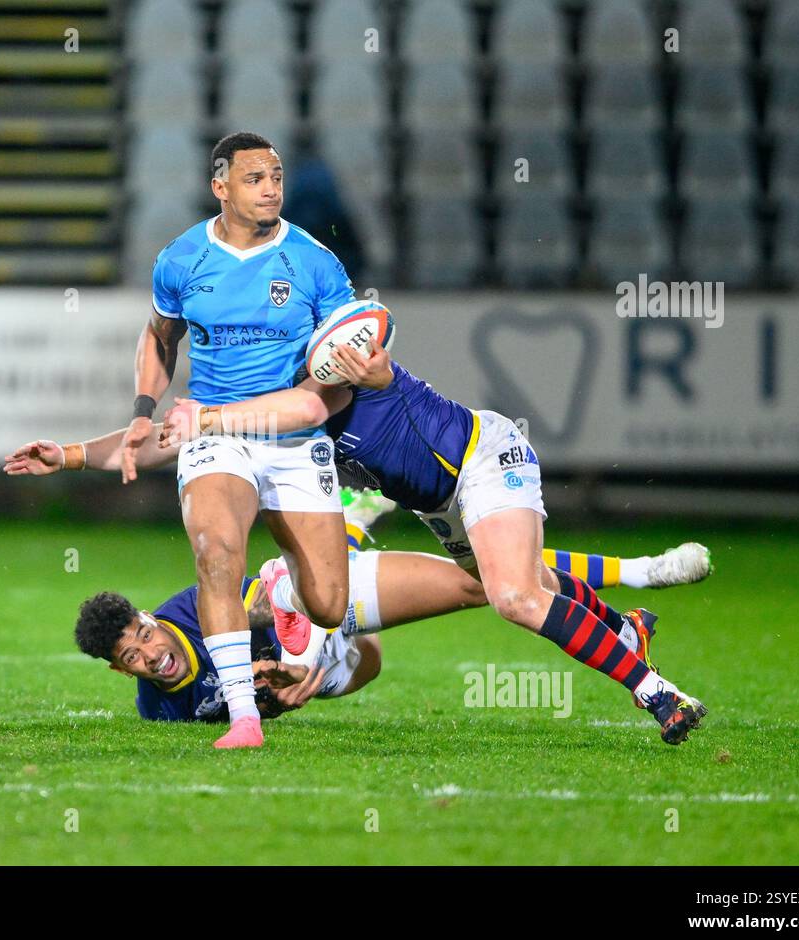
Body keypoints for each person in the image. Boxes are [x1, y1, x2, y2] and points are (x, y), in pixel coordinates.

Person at [158, 336, 709, 744]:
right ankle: (623, 625)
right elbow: (345, 510)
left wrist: (371, 362)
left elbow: (373, 325)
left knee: (513, 597)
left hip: (481, 455)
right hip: (438, 502)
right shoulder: (287, 429)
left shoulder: (333, 370)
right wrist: (84, 453)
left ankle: (656, 693)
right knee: (524, 581)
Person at [116, 131, 358, 748]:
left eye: (276, 176)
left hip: (293, 435)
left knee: (329, 606)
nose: (271, 188)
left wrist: (341, 379)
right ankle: (244, 715)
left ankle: (282, 587)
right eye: (254, 179)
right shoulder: (180, 260)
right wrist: (145, 409)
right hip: (214, 430)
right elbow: (159, 337)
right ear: (220, 187)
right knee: (218, 553)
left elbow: (343, 355)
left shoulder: (315, 262)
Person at [72, 495, 706, 730]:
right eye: (133, 656)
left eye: (144, 633)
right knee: (325, 643)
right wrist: (287, 688)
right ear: (121, 671)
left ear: (151, 617)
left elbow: (263, 603)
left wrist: (289, 647)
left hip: (321, 622)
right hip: (343, 669)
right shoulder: (157, 708)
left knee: (488, 580)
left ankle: (637, 587)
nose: (151, 651)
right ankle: (345, 527)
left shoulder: (191, 610)